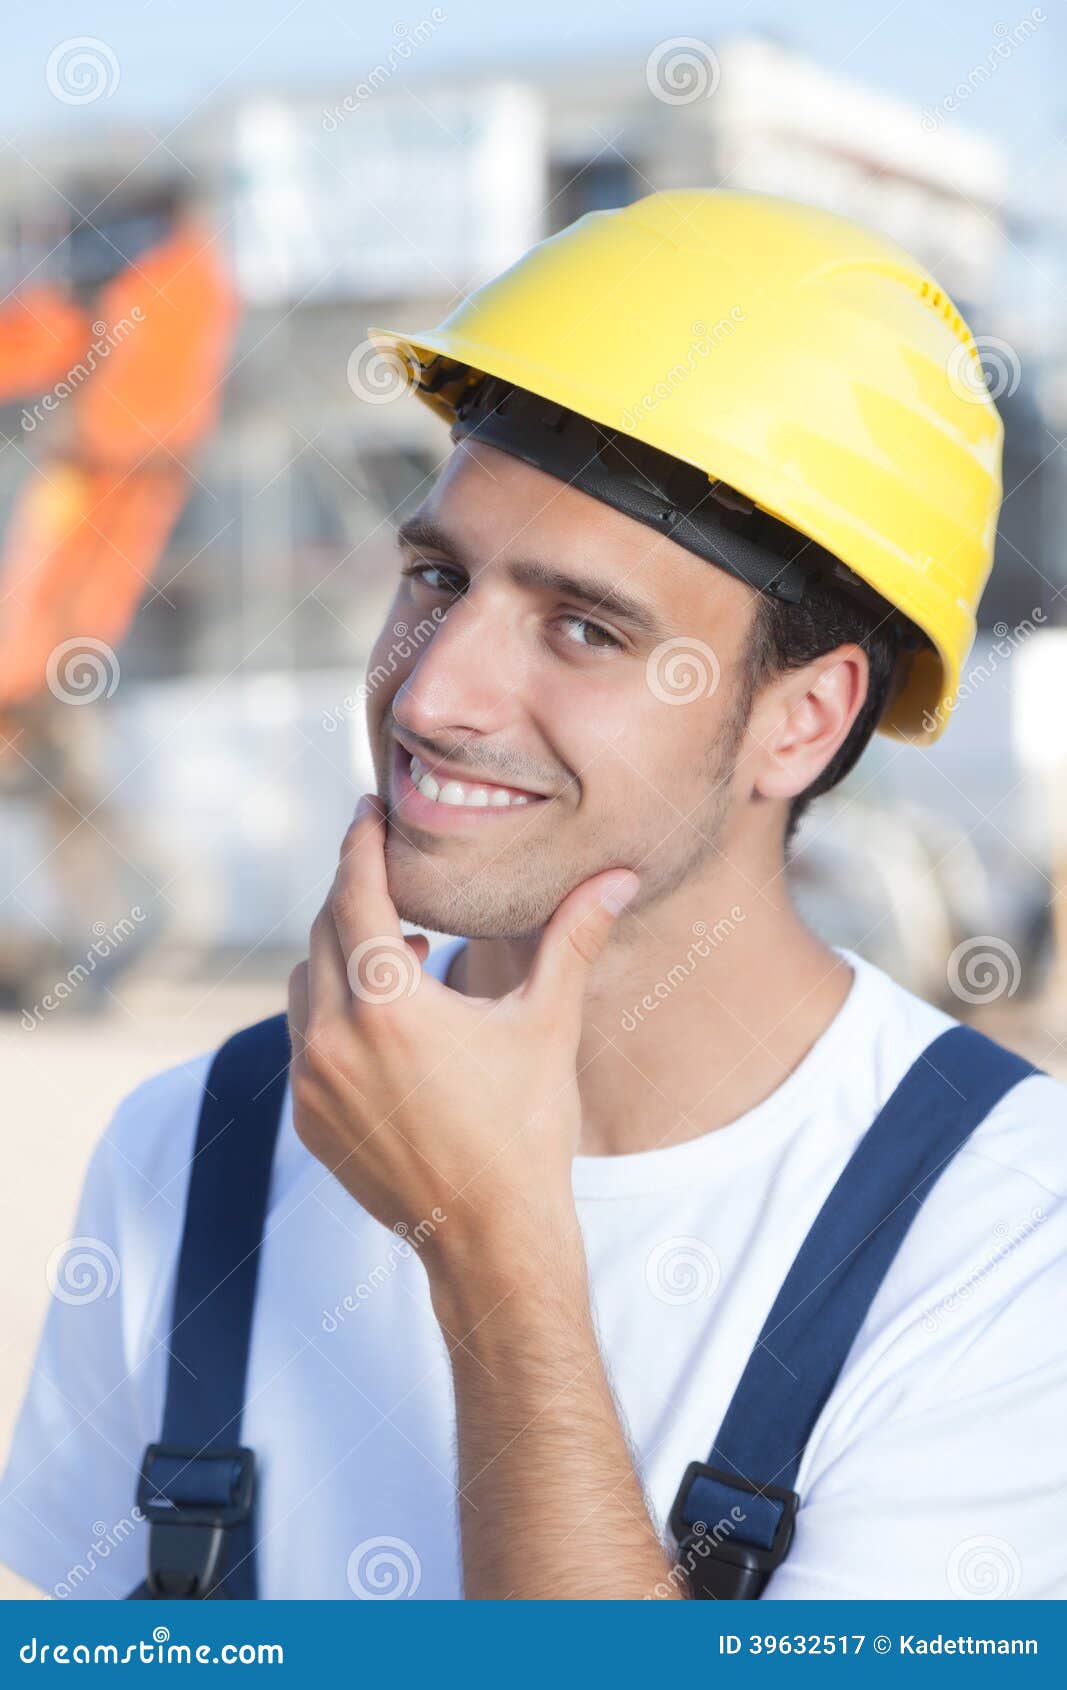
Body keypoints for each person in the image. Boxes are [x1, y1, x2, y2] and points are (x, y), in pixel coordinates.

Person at [1, 190, 1064, 1602]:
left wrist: (495, 1265)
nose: (432, 694)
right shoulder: (184, 1156)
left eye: (583, 626)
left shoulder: (1003, 1231)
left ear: (802, 719)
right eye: (436, 577)